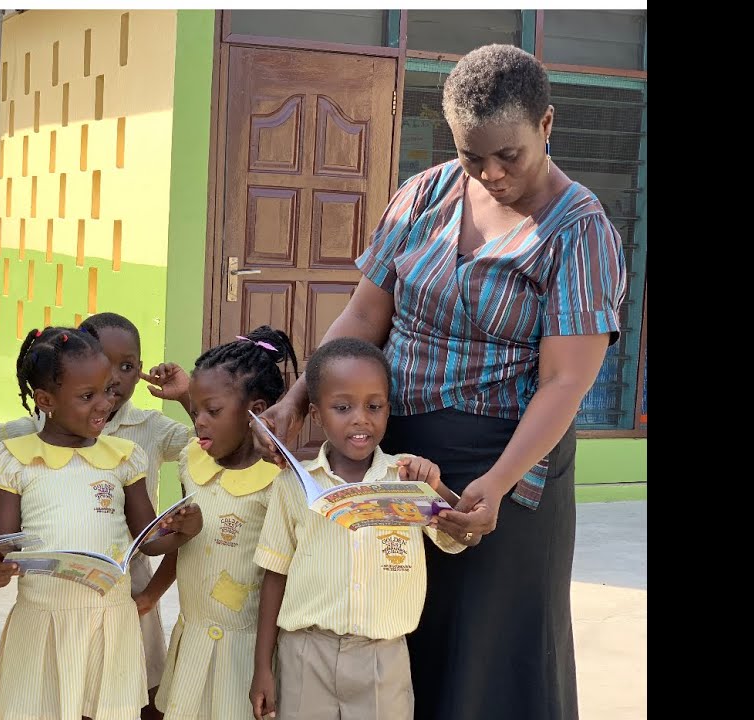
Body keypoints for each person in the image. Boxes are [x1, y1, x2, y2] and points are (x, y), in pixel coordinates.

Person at [254, 44, 627, 720]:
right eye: (470, 156)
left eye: (507, 155)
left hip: (505, 470)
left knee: (487, 659)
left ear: (546, 125)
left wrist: (497, 484)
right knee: (393, 634)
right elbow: (366, 313)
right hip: (396, 460)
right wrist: (297, 397)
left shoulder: (581, 232)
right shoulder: (423, 194)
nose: (489, 173)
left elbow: (564, 384)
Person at [0, 326, 202, 720]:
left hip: (109, 620)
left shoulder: (124, 457)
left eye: (107, 390)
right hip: (42, 620)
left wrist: (184, 530)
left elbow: (148, 541)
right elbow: (6, 544)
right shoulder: (14, 459)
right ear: (46, 400)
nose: (104, 403)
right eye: (87, 396)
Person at [249, 338, 472, 720]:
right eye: (342, 407)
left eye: (374, 406)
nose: (360, 418)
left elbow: (463, 537)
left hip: (381, 658)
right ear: (316, 415)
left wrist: (436, 489)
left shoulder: (406, 479)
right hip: (306, 653)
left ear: (388, 410)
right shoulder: (293, 485)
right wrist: (262, 668)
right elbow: (274, 574)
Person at [154, 328, 296, 720]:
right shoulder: (194, 462)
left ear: (257, 410)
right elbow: (185, 544)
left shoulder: (277, 484)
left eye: (211, 412)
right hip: (193, 636)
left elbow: (278, 577)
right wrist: (150, 596)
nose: (199, 422)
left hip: (244, 652)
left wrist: (264, 666)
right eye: (195, 410)